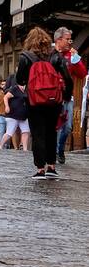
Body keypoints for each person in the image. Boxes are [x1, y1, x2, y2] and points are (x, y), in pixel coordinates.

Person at [15, 26, 72, 180]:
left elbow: (19, 79)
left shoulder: (25, 57)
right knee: (51, 132)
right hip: (54, 101)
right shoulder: (55, 56)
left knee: (38, 133)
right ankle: (51, 167)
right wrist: (65, 96)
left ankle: (40, 168)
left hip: (34, 101)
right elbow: (67, 78)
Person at [53, 27, 86, 164]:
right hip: (53, 96)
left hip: (68, 97)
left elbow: (82, 73)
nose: (69, 42)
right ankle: (54, 152)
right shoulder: (50, 53)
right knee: (55, 126)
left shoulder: (71, 55)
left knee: (67, 127)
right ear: (58, 39)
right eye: (67, 39)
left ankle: (60, 149)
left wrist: (77, 59)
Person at [2, 74, 30, 151]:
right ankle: (0, 145)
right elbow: (5, 97)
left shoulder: (27, 90)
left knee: (25, 131)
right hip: (13, 115)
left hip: (23, 115)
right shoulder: (15, 89)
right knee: (9, 133)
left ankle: (25, 148)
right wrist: (7, 106)